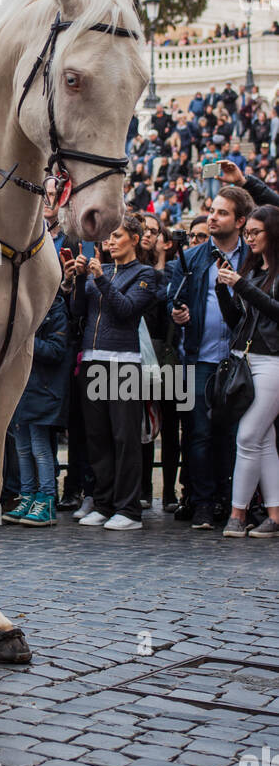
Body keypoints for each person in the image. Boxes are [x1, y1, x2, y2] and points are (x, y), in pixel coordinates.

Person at [166, 185, 254, 530]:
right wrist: (178, 313)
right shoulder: (192, 257)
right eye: (212, 211)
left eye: (222, 213)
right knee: (197, 433)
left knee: (232, 434)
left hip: (238, 359)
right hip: (197, 358)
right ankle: (202, 503)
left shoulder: (253, 256)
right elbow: (174, 298)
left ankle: (227, 501)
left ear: (240, 220)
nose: (213, 217)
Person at [68, 215, 157, 531]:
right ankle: (103, 504)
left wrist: (99, 279)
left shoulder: (145, 274)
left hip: (123, 363)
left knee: (124, 438)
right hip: (92, 361)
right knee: (98, 438)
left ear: (134, 239)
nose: (110, 241)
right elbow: (78, 311)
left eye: (117, 235)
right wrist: (80, 278)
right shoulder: (99, 271)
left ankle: (129, 510)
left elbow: (127, 310)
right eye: (109, 236)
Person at [216, 207, 279, 537]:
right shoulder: (254, 273)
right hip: (246, 359)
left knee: (248, 436)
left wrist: (241, 286)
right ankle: (274, 515)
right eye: (248, 232)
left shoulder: (260, 277)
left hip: (273, 362)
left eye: (257, 231)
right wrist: (221, 289)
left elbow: (274, 311)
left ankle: (237, 514)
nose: (250, 237)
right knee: (263, 441)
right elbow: (237, 323)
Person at [4, 293, 70, 527]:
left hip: (43, 389)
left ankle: (47, 499)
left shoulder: (56, 310)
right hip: (21, 388)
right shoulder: (22, 307)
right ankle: (28, 496)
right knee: (22, 448)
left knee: (40, 448)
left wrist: (25, 337)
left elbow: (56, 350)